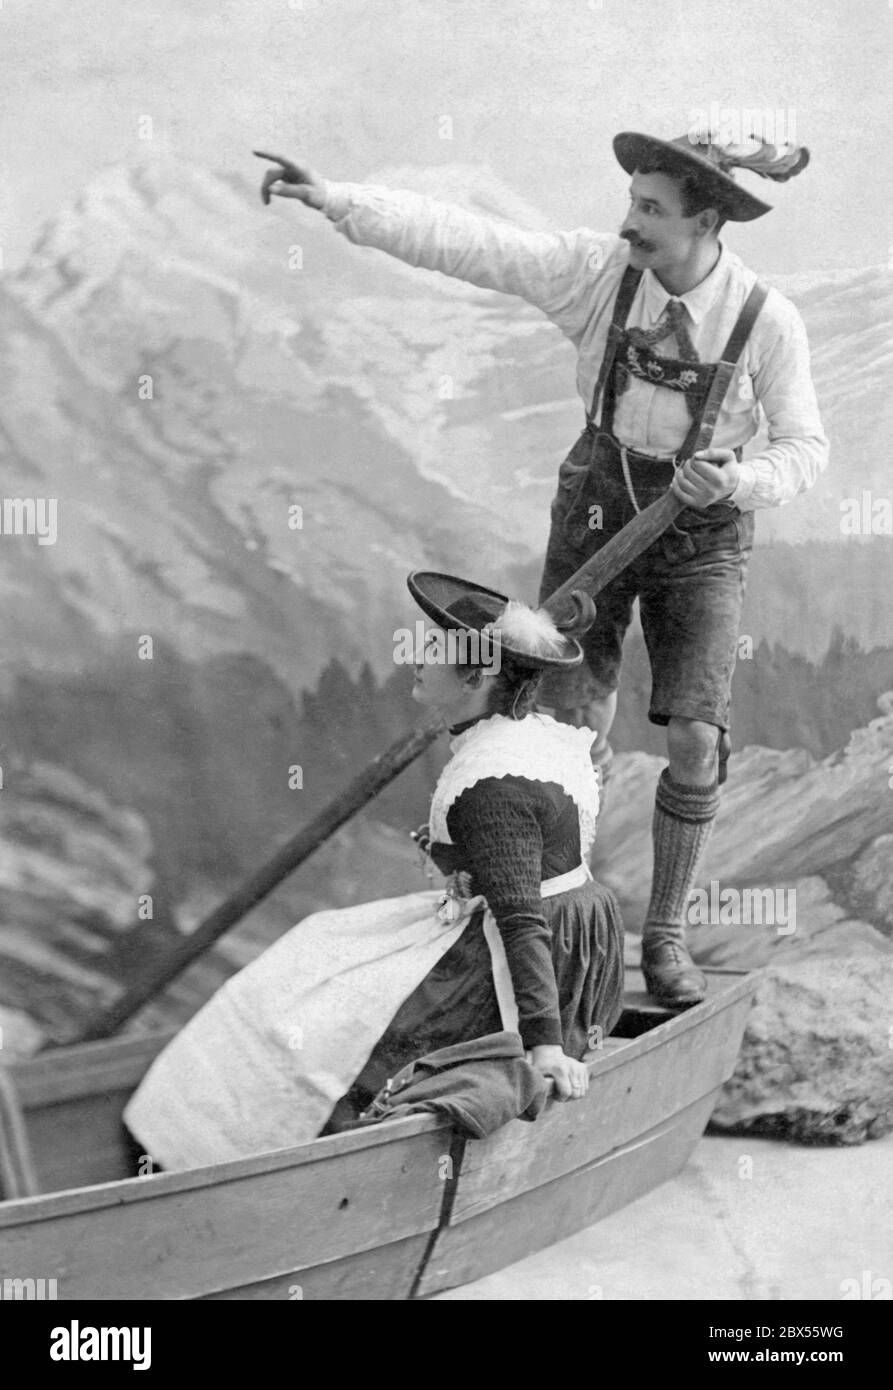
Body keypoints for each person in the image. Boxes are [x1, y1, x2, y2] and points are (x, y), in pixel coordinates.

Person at [255, 126, 827, 1007]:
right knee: (565, 725)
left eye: (651, 209)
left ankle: (664, 934)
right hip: (595, 510)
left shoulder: (764, 320)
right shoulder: (598, 273)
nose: (629, 221)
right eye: (631, 201)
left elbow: (804, 449)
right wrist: (336, 199)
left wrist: (736, 481)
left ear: (706, 222)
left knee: (694, 735)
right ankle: (566, 929)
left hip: (702, 532)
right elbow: (470, 244)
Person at [124, 572, 625, 1171]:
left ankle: (253, 1155)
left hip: (521, 968)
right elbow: (541, 855)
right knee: (319, 947)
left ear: (477, 677)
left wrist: (544, 1046)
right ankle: (203, 1139)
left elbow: (521, 920)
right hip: (569, 936)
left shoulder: (493, 783)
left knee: (315, 1016)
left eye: (434, 649)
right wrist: (460, 858)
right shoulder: (531, 739)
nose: (416, 658)